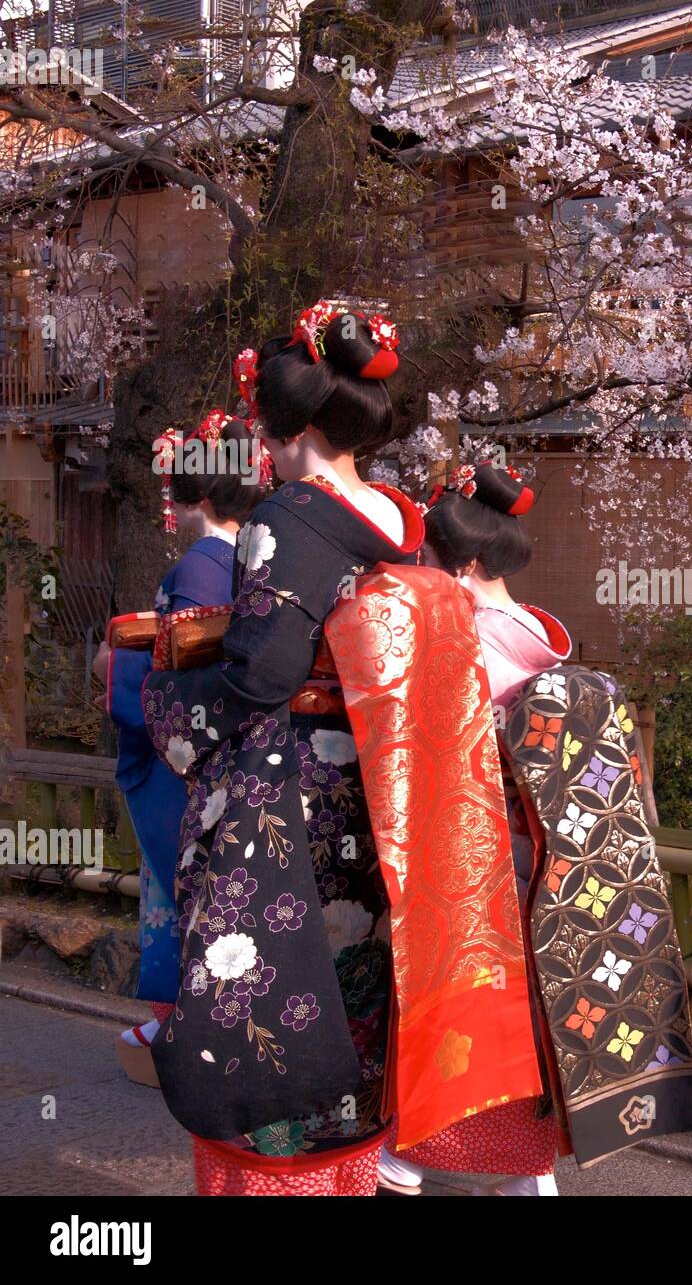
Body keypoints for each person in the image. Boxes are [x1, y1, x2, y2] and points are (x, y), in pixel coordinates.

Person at [139, 302, 422, 1195]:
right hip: (370, 786)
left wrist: (167, 694)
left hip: (287, 806)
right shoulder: (402, 521)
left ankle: (274, 1171)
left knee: (266, 994)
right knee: (356, 981)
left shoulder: (291, 516)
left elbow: (261, 673)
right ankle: (349, 1163)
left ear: (278, 426)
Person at [376, 462, 571, 1195]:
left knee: (457, 1005)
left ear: (459, 563)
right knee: (514, 1015)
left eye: (427, 561)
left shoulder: (472, 639)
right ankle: (523, 1172)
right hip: (531, 845)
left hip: (478, 844)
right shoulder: (534, 631)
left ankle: (414, 1145)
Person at [94, 412, 266, 1084]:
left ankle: (184, 1024)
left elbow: (168, 675)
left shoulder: (196, 568)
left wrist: (115, 664)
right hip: (240, 753)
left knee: (181, 892)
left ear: (191, 492)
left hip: (183, 762)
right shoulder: (254, 564)